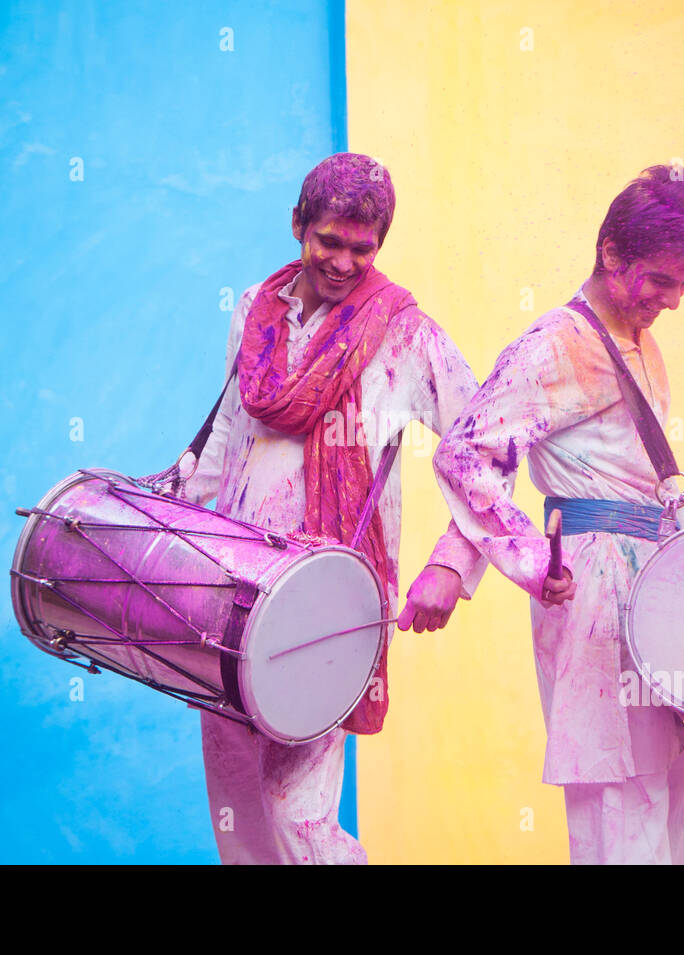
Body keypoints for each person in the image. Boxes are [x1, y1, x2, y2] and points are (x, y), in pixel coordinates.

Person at [179, 152, 487, 864]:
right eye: (329, 241)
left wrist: (452, 564)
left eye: (362, 246)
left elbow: (486, 445)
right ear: (298, 225)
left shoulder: (404, 335)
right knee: (238, 815)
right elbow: (228, 438)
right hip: (226, 593)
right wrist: (161, 517)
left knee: (298, 814)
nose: (344, 261)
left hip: (327, 604)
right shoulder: (255, 311)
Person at [432, 165, 684, 864]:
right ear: (610, 255)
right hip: (596, 592)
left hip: (648, 592)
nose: (673, 299)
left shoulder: (641, 341)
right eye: (659, 279)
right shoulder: (556, 344)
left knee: (660, 787)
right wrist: (533, 560)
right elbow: (467, 453)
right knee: (616, 799)